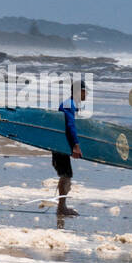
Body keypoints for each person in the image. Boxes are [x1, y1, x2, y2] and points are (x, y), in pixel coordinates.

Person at [54, 79, 86, 217]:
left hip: (61, 144)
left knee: (66, 174)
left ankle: (62, 206)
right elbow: (70, 126)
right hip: (60, 145)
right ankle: (61, 208)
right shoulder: (69, 104)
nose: (87, 95)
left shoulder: (71, 104)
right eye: (85, 91)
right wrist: (76, 145)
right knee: (66, 175)